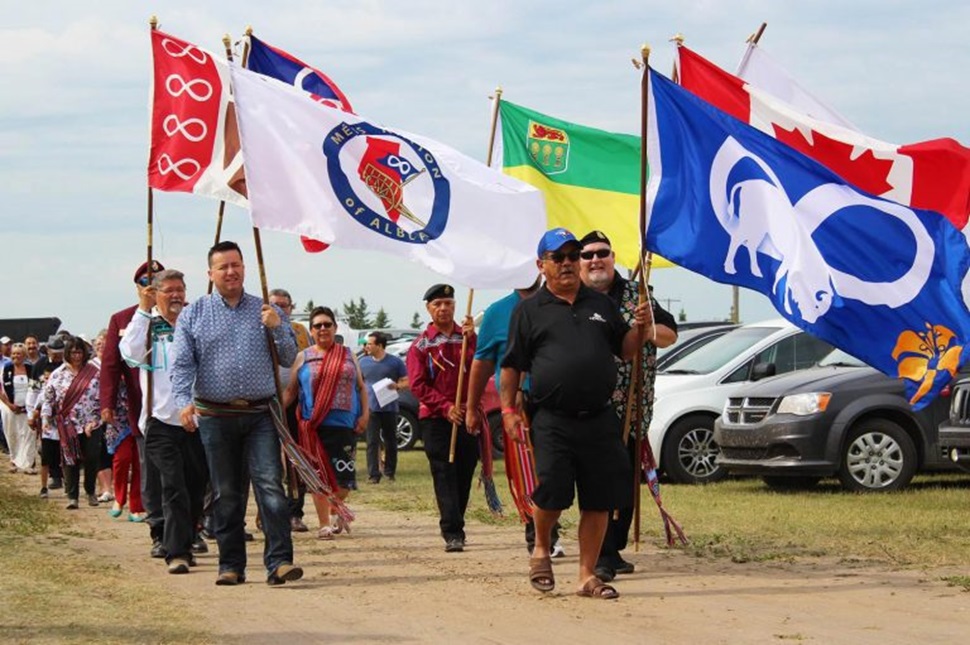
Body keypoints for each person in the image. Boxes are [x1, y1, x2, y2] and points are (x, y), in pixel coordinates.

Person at [500, 227, 649, 600]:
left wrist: (641, 328)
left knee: (600, 498)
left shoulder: (601, 304)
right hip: (552, 417)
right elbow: (512, 365)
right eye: (559, 257)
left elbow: (625, 349)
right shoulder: (528, 311)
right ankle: (541, 548)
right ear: (542, 265)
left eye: (572, 256)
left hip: (600, 417)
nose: (567, 263)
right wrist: (508, 410)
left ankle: (586, 576)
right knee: (552, 490)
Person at [171, 240, 302, 587]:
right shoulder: (194, 314)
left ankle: (280, 562)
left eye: (236, 265)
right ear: (210, 273)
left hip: (260, 414)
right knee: (226, 493)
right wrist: (184, 401)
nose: (231, 272)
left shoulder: (266, 310)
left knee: (270, 486)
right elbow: (182, 365)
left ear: (245, 267)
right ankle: (230, 565)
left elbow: (289, 357)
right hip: (215, 416)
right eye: (223, 266)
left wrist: (277, 325)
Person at [578, 230, 678, 583]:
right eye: (587, 254)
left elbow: (670, 336)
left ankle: (613, 548)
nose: (595, 260)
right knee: (598, 480)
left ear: (612, 257)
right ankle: (602, 554)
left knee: (625, 479)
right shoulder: (572, 299)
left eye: (602, 253)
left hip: (632, 411)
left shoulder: (639, 295)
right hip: (587, 407)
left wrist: (646, 328)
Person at [465, 277, 565, 558]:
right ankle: (540, 538)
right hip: (518, 407)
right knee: (529, 474)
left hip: (558, 402)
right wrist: (472, 407)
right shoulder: (497, 312)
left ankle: (549, 532)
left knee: (554, 471)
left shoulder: (563, 303)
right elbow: (482, 363)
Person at [121, 269, 207, 574]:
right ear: (155, 294)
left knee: (196, 487)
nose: (176, 295)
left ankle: (188, 538)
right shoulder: (148, 324)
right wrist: (143, 311)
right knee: (173, 486)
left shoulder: (195, 321)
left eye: (180, 289)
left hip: (197, 420)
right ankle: (176, 552)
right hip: (160, 421)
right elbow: (130, 354)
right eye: (169, 290)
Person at [283, 306, 369, 540]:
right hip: (313, 426)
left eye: (327, 324)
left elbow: (361, 387)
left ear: (335, 327)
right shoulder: (303, 357)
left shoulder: (348, 354)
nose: (323, 329)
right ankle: (324, 525)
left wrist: (365, 415)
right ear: (311, 331)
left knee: (344, 482)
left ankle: (335, 509)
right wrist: (275, 413)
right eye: (317, 325)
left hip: (345, 425)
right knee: (318, 477)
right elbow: (291, 391)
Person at [406, 284, 479, 553]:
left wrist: (473, 340)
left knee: (465, 471)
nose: (443, 308)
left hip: (467, 414)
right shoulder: (421, 345)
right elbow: (417, 385)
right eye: (437, 304)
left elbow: (480, 368)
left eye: (448, 303)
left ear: (455, 306)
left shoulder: (468, 337)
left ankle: (457, 520)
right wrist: (445, 406)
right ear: (428, 308)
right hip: (436, 418)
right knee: (444, 472)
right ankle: (452, 531)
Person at [102, 261, 164, 556]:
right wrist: (107, 403)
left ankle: (193, 524)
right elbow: (111, 366)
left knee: (188, 471)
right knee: (149, 469)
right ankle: (158, 527)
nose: (151, 287)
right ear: (137, 287)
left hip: (180, 407)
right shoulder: (122, 319)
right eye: (145, 282)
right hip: (143, 408)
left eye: (157, 281)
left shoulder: (183, 312)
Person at [41, 336, 104, 509]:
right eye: (73, 352)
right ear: (67, 353)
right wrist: (46, 419)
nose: (77, 356)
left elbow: (102, 398)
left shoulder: (95, 373)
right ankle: (73, 496)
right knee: (70, 459)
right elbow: (48, 398)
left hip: (91, 423)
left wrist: (96, 420)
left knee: (91, 457)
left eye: (80, 352)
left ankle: (90, 490)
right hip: (67, 424)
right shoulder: (58, 374)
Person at [269, 288, 311, 533]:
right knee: (268, 461)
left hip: (296, 403)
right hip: (265, 402)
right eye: (274, 304)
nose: (279, 309)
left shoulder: (301, 331)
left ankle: (295, 512)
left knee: (296, 460)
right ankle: (269, 513)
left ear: (291, 307)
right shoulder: (259, 327)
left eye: (283, 305)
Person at [359, 331, 408, 484]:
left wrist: (397, 386)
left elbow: (407, 381)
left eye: (370, 344)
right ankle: (373, 475)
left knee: (390, 441)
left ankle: (389, 472)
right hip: (371, 408)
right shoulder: (363, 362)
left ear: (379, 345)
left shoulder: (395, 362)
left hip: (389, 407)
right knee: (372, 442)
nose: (366, 346)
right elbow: (358, 383)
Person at [28, 335, 65, 495]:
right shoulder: (39, 365)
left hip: (64, 413)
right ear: (48, 350)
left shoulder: (67, 365)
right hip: (45, 413)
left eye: (60, 353)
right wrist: (31, 414)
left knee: (64, 448)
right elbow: (33, 391)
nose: (57, 357)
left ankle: (63, 476)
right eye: (54, 353)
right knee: (47, 448)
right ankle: (53, 476)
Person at [1, 343, 36, 474]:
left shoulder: (31, 369)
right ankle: (14, 461)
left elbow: (36, 388)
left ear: (24, 355)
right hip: (10, 408)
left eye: (19, 353)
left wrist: (31, 406)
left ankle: (28, 464)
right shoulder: (6, 369)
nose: (16, 356)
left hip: (28, 409)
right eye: (13, 353)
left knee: (29, 435)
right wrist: (9, 405)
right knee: (12, 434)